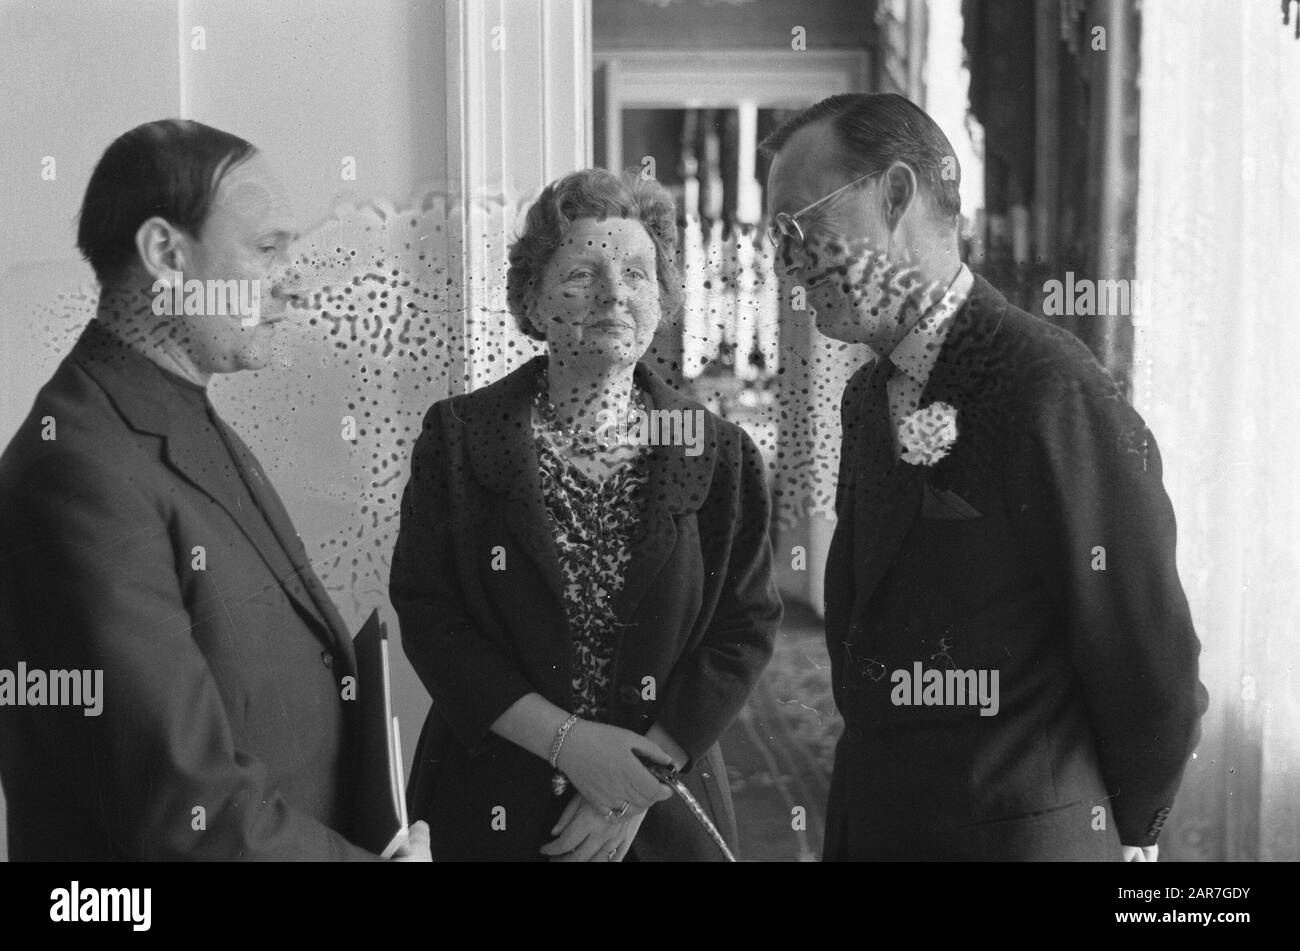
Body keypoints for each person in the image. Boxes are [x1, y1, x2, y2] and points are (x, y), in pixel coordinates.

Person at [761, 94, 1207, 861]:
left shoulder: (1048, 387)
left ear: (895, 195)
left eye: (798, 229)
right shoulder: (867, 394)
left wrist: (1125, 836)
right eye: (777, 239)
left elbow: (1150, 661)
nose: (787, 264)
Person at [0, 119, 429, 861]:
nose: (294, 280)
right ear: (166, 253)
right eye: (267, 249)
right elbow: (183, 810)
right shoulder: (78, 471)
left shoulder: (177, 408)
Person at [391, 168, 781, 861]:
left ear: (660, 297)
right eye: (581, 273)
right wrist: (569, 745)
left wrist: (635, 780)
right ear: (533, 299)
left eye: (637, 272)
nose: (613, 294)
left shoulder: (720, 452)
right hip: (490, 800)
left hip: (663, 810)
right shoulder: (456, 437)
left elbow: (743, 626)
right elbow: (429, 612)